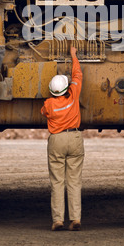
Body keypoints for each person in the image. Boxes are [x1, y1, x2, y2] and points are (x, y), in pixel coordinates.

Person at [41, 45, 84, 231]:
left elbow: (44, 112)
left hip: (56, 140)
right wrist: (74, 56)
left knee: (57, 182)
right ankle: (75, 219)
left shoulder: (49, 104)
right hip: (74, 138)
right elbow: (77, 75)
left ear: (52, 91)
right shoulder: (73, 97)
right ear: (67, 88)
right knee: (74, 181)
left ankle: (58, 220)